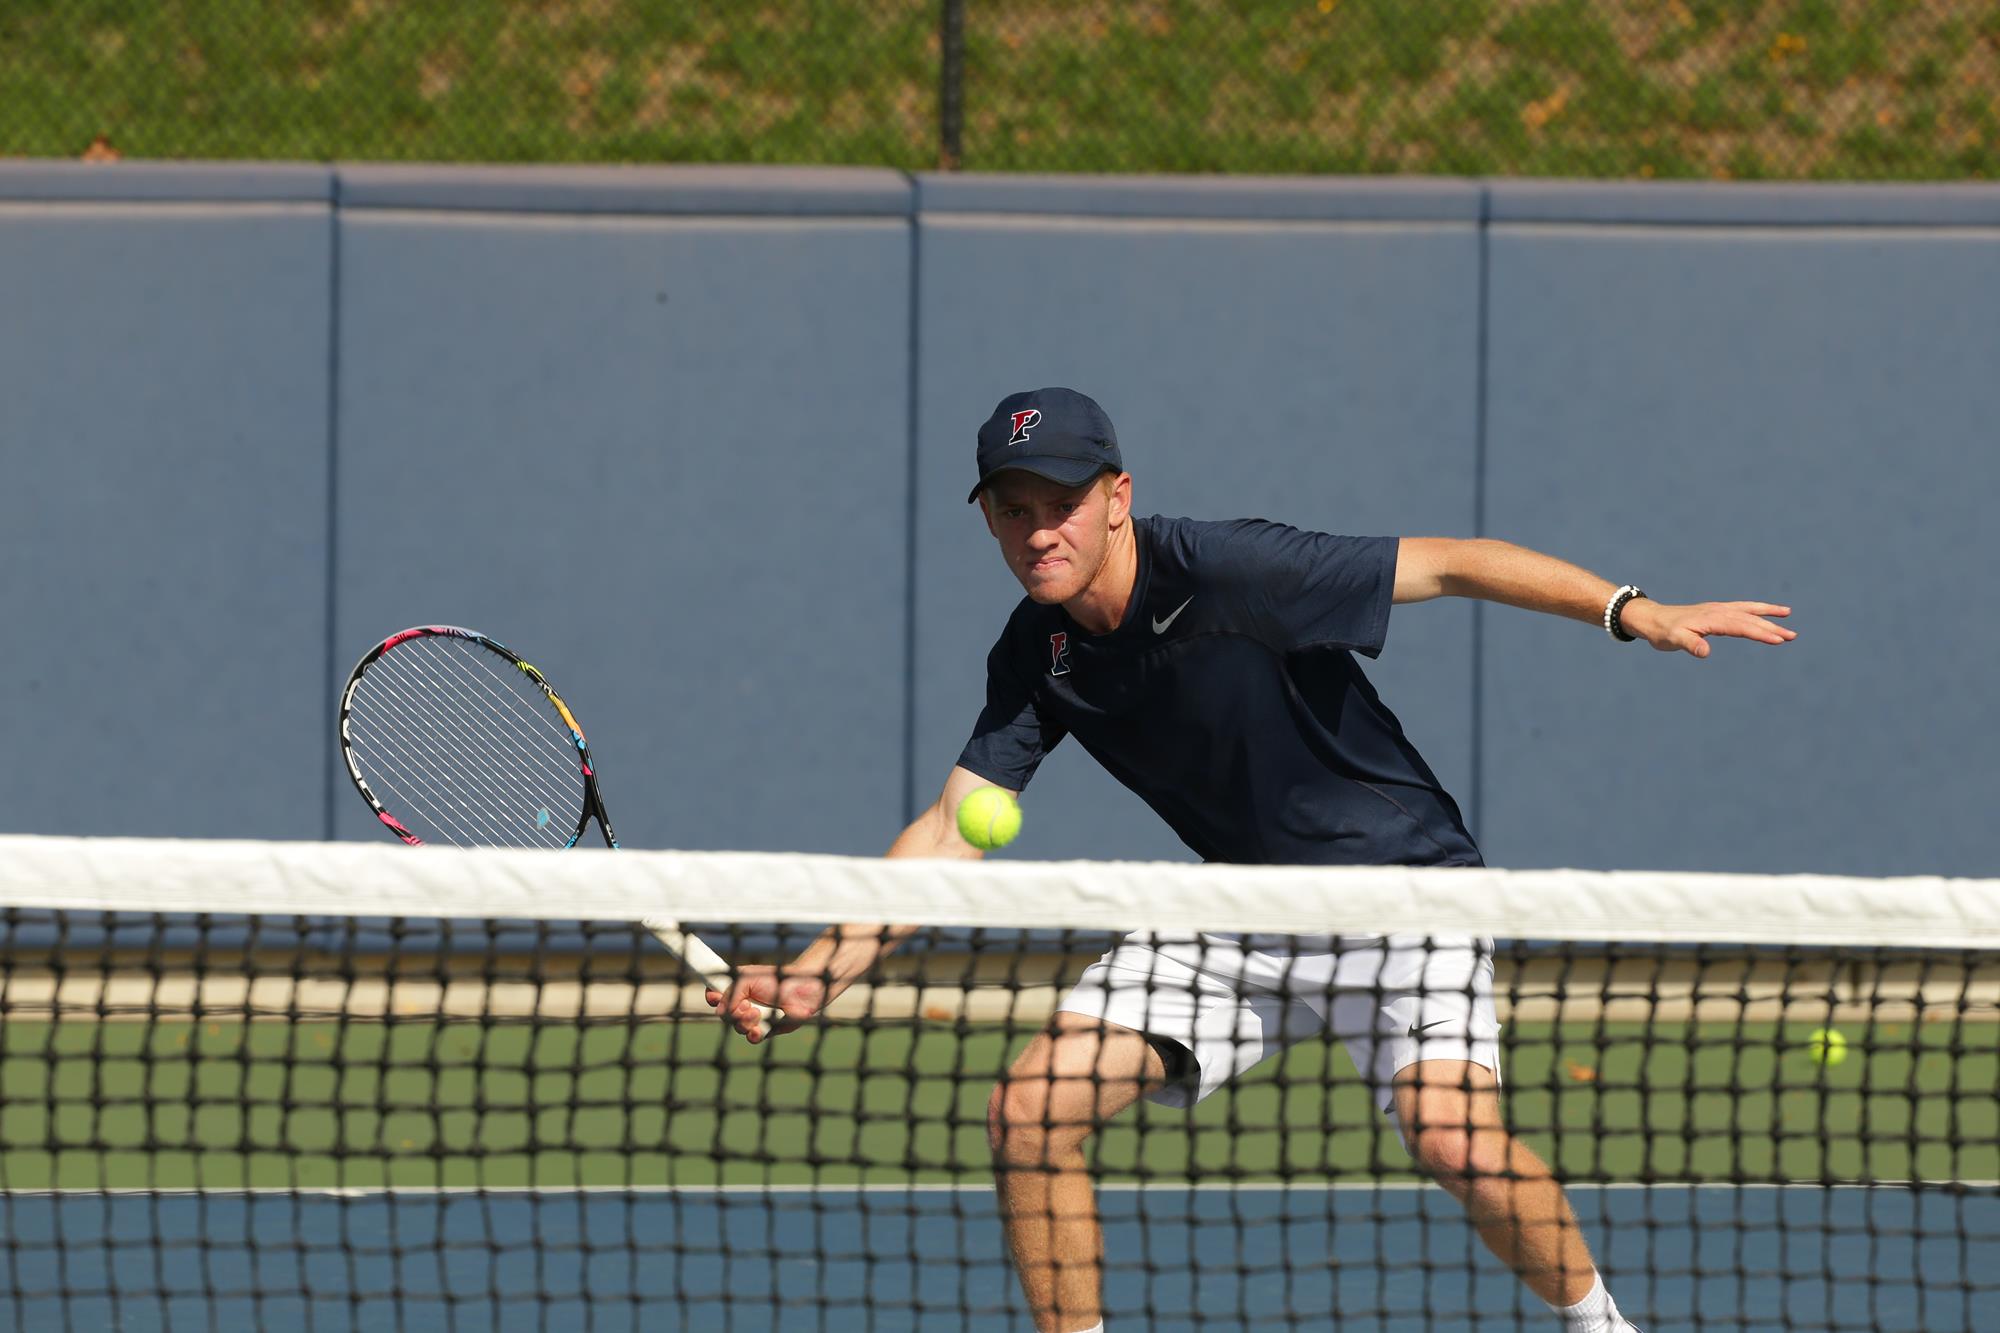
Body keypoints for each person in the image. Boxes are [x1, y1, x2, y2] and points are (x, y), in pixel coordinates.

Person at [710, 387, 1795, 1333]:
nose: (1038, 531)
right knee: (1027, 1110)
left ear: (1117, 496)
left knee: (1453, 1139)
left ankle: (1602, 1326)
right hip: (1238, 908)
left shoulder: (1230, 568)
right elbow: (951, 824)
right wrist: (817, 969)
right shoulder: (1033, 652)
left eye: (1061, 503)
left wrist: (1630, 610)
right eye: (1013, 509)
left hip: (1398, 889)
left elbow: (1454, 563)